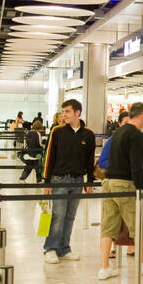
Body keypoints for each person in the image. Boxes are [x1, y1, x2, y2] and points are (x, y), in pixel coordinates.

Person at [98, 104, 143, 280]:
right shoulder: (136, 135)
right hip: (125, 184)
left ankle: (104, 267)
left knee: (108, 225)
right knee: (139, 223)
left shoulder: (117, 133)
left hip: (108, 184)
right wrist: (142, 192)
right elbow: (136, 166)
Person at [42, 98, 95, 263]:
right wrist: (47, 182)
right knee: (58, 215)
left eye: (67, 111)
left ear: (77, 113)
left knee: (70, 216)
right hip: (59, 180)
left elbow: (89, 160)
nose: (63, 114)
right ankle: (50, 248)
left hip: (78, 181)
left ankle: (64, 248)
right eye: (62, 111)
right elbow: (49, 157)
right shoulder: (57, 132)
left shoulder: (88, 134)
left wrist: (89, 182)